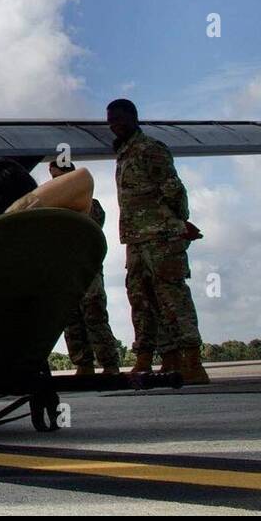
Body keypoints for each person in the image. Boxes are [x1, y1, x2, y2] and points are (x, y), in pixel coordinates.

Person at [107, 99, 208, 384]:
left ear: (133, 117)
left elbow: (174, 189)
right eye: (111, 121)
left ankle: (193, 362)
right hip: (136, 239)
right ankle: (165, 358)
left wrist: (176, 223)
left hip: (161, 237)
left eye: (119, 119)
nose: (114, 125)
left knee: (173, 299)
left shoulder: (150, 149)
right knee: (141, 301)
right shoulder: (124, 153)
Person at [47, 162, 121, 376]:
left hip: (87, 270)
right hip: (65, 271)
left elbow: (90, 227)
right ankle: (83, 364)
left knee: (94, 314)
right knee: (70, 319)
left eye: (60, 177)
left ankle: (109, 363)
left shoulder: (91, 204)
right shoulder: (52, 207)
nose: (56, 182)